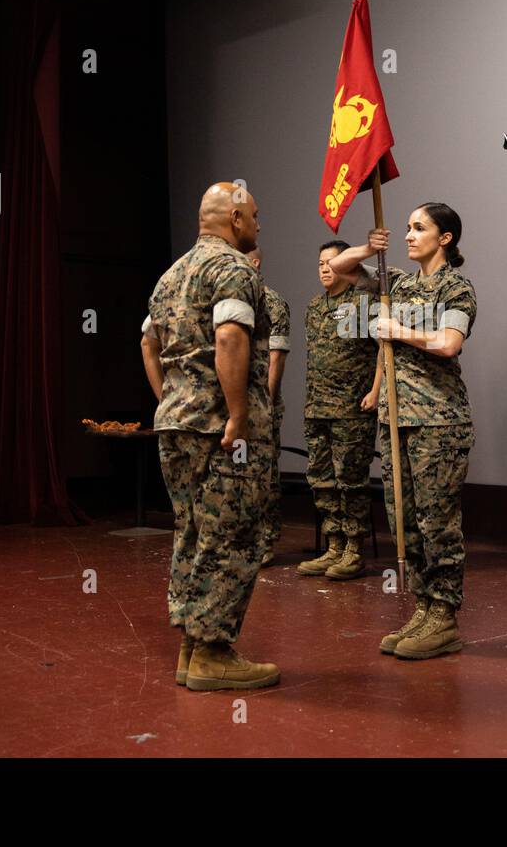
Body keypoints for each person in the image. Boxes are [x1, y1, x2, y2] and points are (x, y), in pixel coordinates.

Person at [327, 203, 476, 660]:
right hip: (395, 419)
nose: (408, 235)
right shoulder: (398, 283)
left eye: (419, 228)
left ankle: (445, 615)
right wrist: (366, 248)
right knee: (404, 519)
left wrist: (398, 330)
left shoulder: (456, 287)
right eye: (407, 228)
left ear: (444, 238)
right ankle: (424, 606)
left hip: (438, 420)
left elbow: (449, 345)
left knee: (437, 520)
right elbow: (338, 267)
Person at [147, 181, 279, 691]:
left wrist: (170, 401)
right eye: (256, 216)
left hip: (176, 423)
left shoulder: (169, 277)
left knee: (193, 532)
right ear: (237, 220)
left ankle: (191, 644)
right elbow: (229, 338)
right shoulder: (232, 270)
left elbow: (150, 345)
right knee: (233, 535)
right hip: (220, 431)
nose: (260, 225)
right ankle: (214, 654)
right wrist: (238, 415)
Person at [296, 239, 381, 581]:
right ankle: (333, 545)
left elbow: (382, 352)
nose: (325, 269)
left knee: (350, 479)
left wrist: (375, 392)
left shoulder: (362, 303)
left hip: (352, 408)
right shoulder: (315, 307)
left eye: (331, 262)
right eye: (320, 263)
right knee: (321, 479)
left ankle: (354, 550)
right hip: (317, 407)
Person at [246, 248, 289, 567]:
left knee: (264, 473)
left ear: (255, 263)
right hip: (232, 404)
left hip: (261, 403)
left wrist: (268, 402)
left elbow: (276, 357)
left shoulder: (270, 301)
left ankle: (265, 540)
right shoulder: (231, 300)